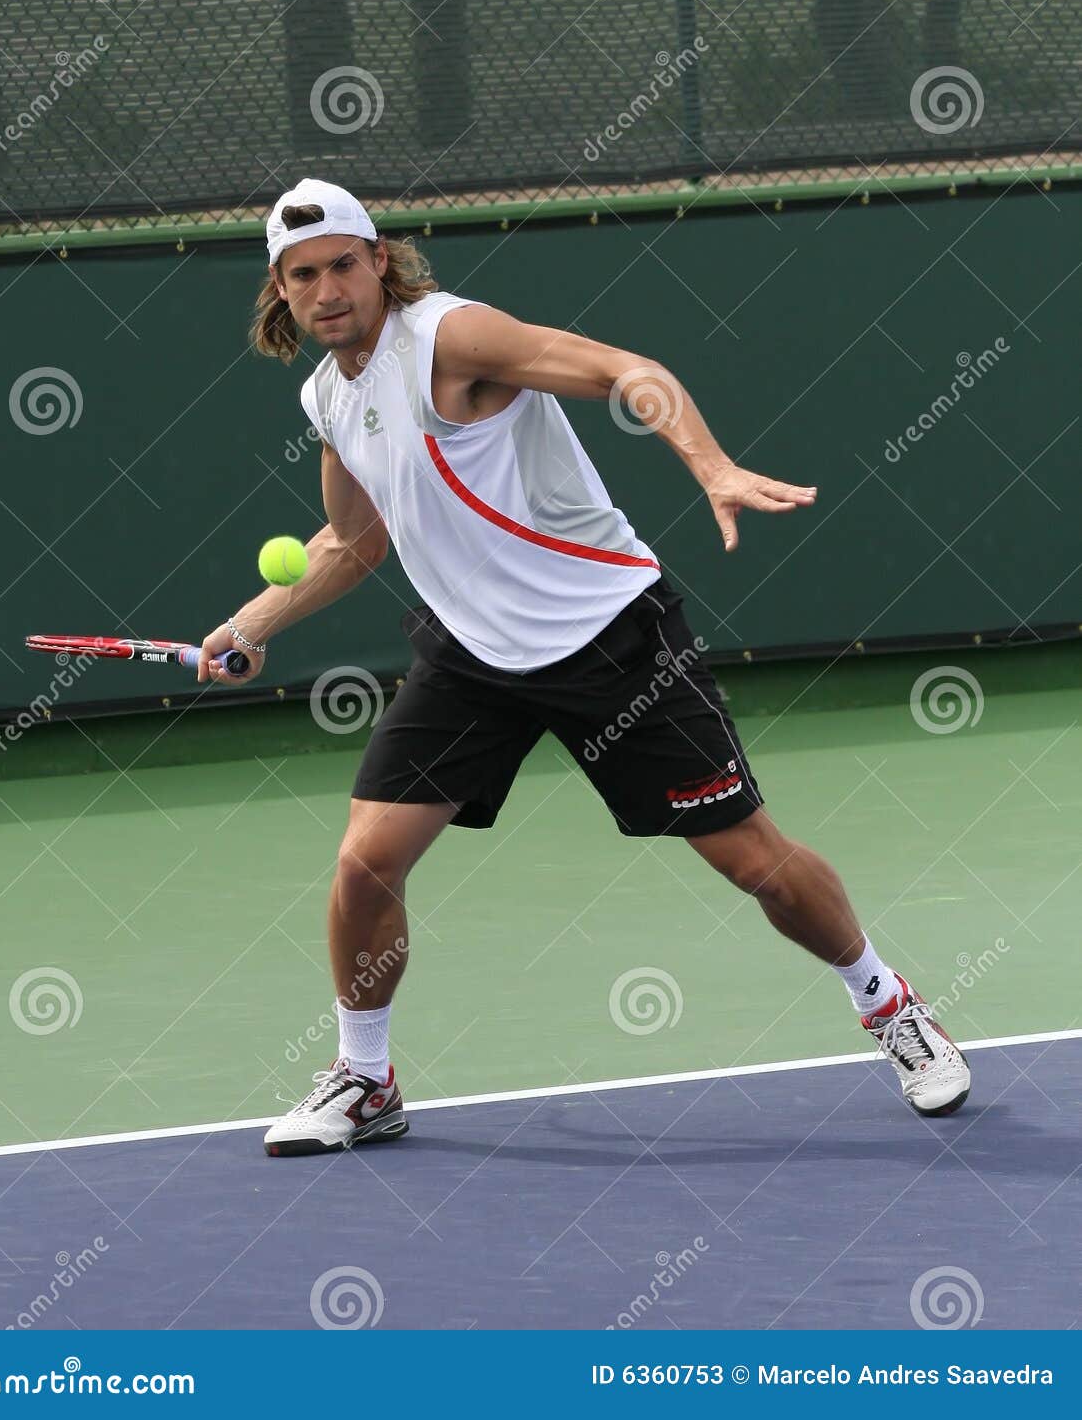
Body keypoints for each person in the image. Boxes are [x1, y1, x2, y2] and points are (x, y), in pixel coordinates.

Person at [199, 178, 971, 1157]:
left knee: (755, 864)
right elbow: (354, 542)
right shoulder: (328, 393)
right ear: (280, 288)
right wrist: (249, 622)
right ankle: (364, 1075)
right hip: (471, 655)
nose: (327, 289)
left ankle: (887, 1003)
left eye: (343, 265)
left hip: (611, 637)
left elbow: (623, 370)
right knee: (363, 863)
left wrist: (709, 464)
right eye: (303, 275)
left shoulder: (450, 340)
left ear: (379, 260)